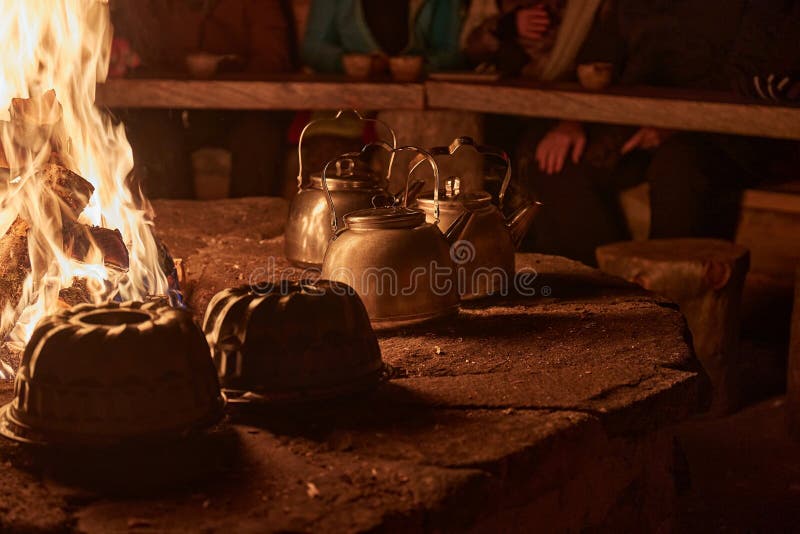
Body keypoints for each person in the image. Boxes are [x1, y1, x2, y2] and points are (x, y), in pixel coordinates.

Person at [471, 0, 797, 266]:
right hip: (634, 120)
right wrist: (573, 121)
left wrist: (673, 123)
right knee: (555, 159)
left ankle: (669, 303)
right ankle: (603, 288)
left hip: (716, 131)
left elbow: (746, 76)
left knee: (679, 168)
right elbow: (597, 59)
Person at [112, 0, 296, 198]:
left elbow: (273, 58)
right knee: (152, 131)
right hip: (174, 109)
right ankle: (172, 224)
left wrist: (226, 66)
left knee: (260, 137)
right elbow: (146, 51)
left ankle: (249, 224)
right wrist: (182, 63)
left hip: (242, 112)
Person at [301, 0, 465, 74]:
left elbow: (452, 52)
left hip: (419, 103)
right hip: (353, 102)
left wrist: (422, 66)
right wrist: (346, 63)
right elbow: (312, 48)